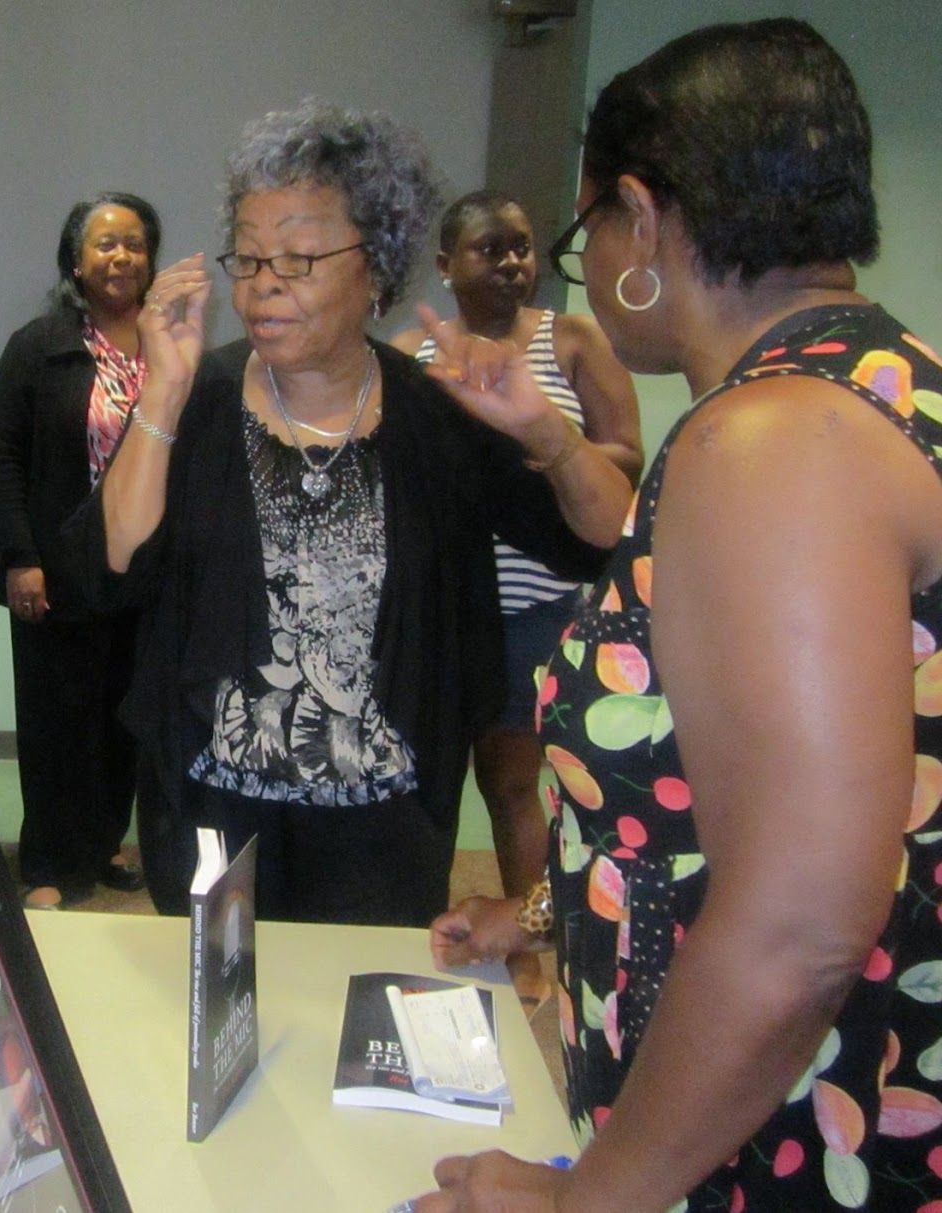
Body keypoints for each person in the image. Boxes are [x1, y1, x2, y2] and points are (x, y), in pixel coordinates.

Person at [416, 18, 942, 1212]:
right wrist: (552, 905)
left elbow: (803, 918)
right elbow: (723, 791)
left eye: (583, 230)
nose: (584, 262)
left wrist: (583, 1199)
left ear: (640, 222)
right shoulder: (873, 381)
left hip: (792, 1137)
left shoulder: (768, 442)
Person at [73, 100, 625, 925]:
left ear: (379, 265)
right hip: (216, 817)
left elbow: (603, 539)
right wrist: (163, 389)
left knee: (358, 1030)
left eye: (300, 258)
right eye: (251, 258)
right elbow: (106, 571)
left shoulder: (438, 415)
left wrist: (545, 426)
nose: (265, 284)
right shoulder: (201, 399)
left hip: (385, 824)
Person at [392, 193, 640, 999]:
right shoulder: (409, 356)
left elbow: (627, 458)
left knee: (512, 785)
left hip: (541, 608)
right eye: (488, 249)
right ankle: (419, 924)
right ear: (444, 265)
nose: (510, 264)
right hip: (441, 611)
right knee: (420, 780)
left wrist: (527, 447)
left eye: (523, 248)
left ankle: (527, 945)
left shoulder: (574, 340)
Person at [0, 193, 160, 909]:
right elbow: (0, 455)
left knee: (127, 718)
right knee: (58, 718)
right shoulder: (39, 346)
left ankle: (106, 837)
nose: (122, 256)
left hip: (147, 574)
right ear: (77, 262)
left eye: (136, 243)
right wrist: (19, 556)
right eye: (105, 244)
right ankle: (51, 861)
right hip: (59, 567)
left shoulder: (169, 347)